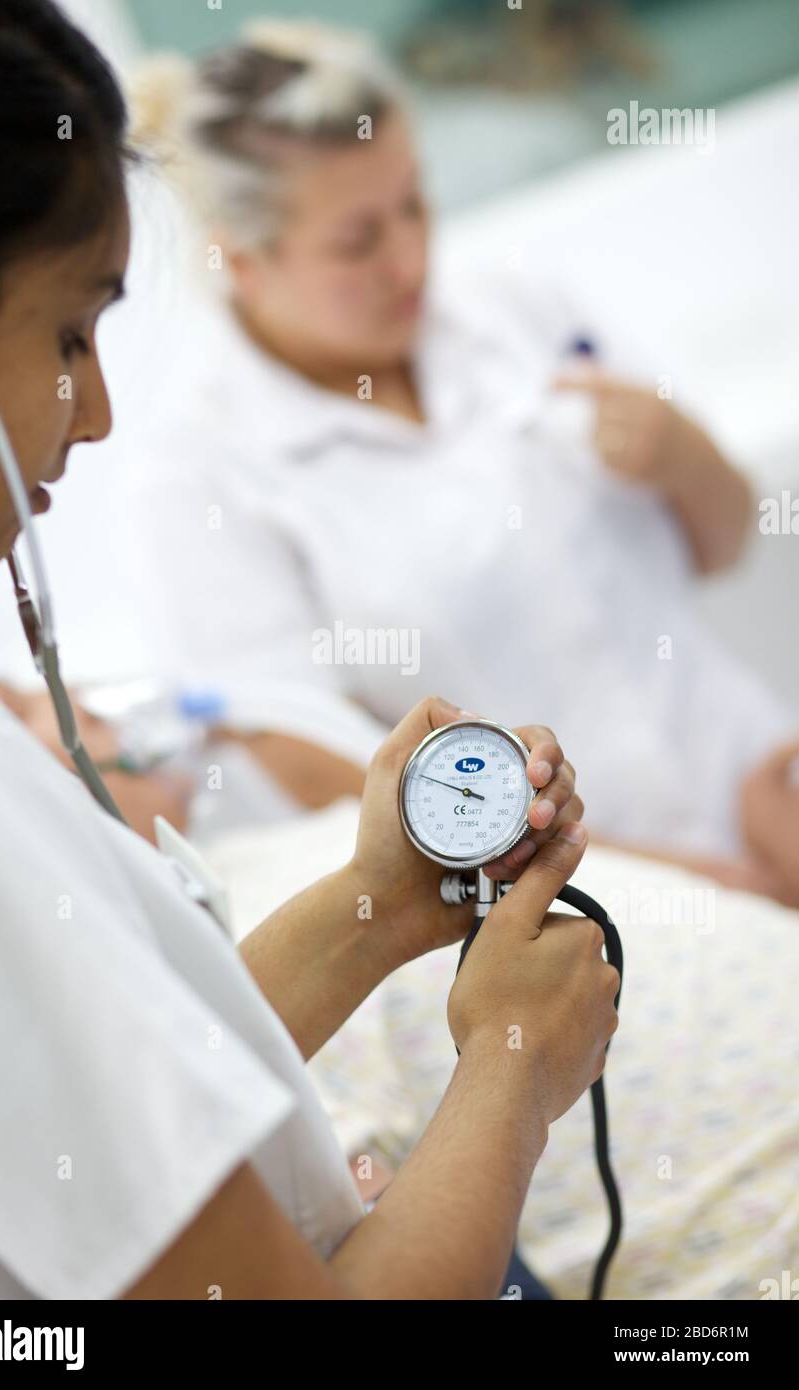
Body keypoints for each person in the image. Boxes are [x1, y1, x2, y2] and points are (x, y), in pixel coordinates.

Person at [0, 0, 617, 1301]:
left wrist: (385, 904)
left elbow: (117, 1101)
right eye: (71, 335)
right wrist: (516, 1065)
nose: (98, 409)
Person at [116, 20, 799, 904]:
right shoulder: (199, 482)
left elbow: (727, 541)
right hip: (574, 900)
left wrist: (681, 454)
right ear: (243, 261)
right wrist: (669, 884)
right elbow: (323, 772)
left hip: (763, 779)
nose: (411, 259)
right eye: (359, 241)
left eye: (415, 203)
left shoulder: (512, 308)